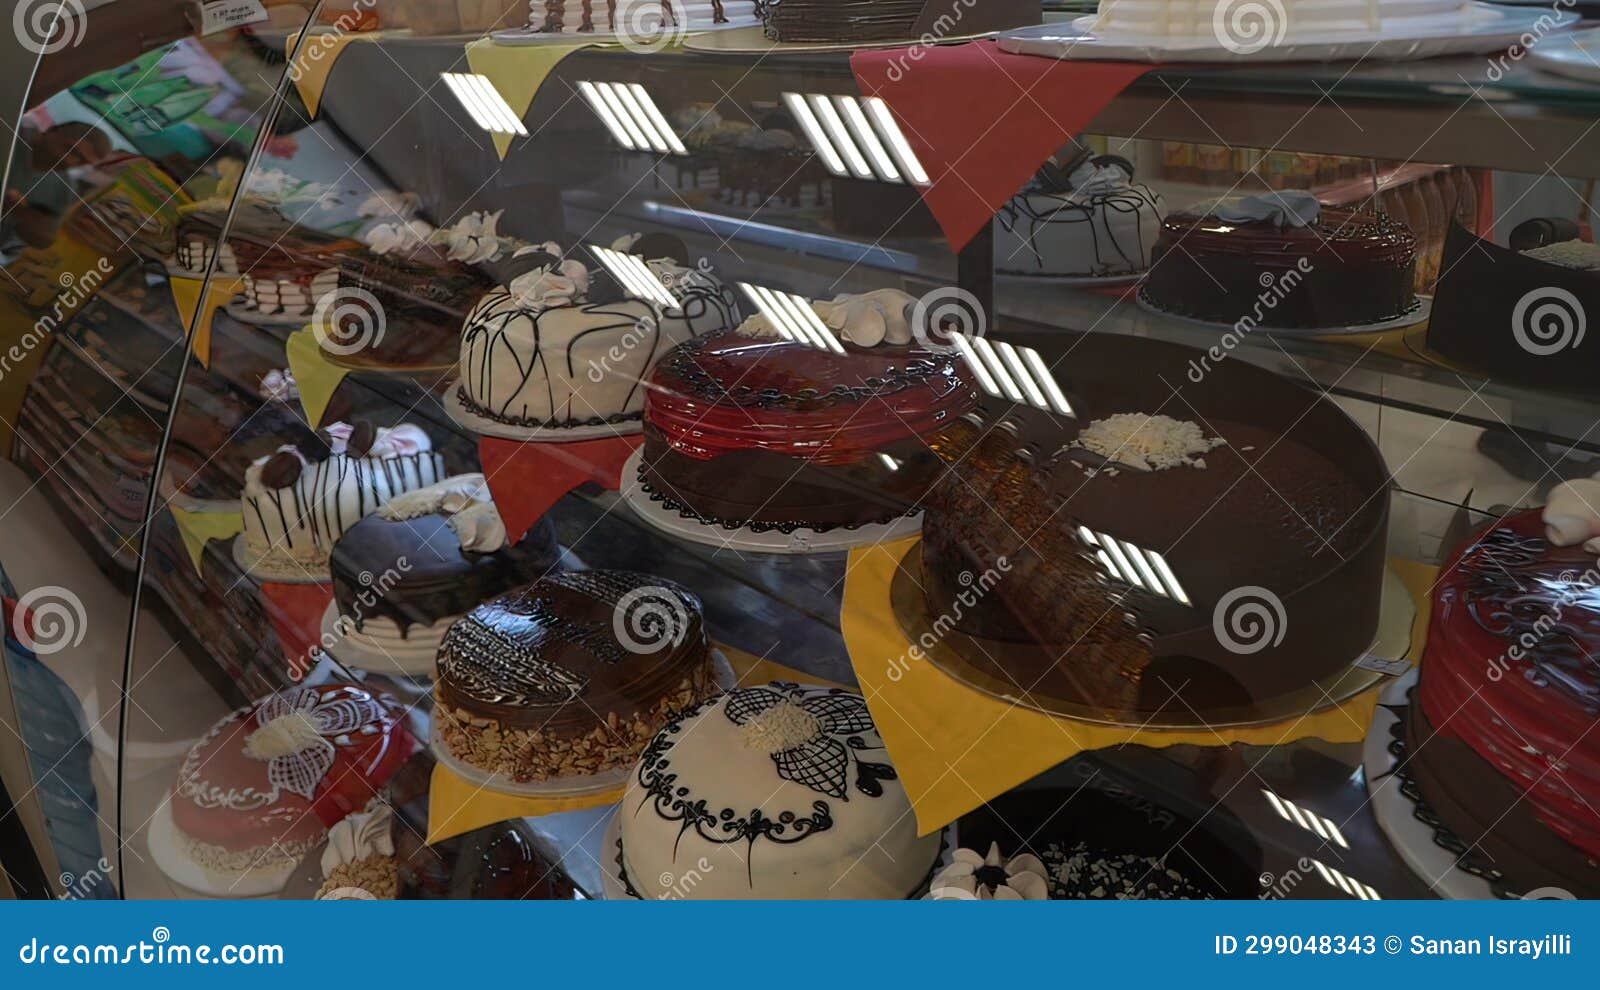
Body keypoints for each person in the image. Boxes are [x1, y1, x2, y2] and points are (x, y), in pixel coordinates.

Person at [2, 121, 116, 250]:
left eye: (82, 162)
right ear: (51, 131)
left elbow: (44, 240)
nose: (70, 161)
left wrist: (20, 211)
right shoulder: (12, 133)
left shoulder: (65, 188)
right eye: (70, 150)